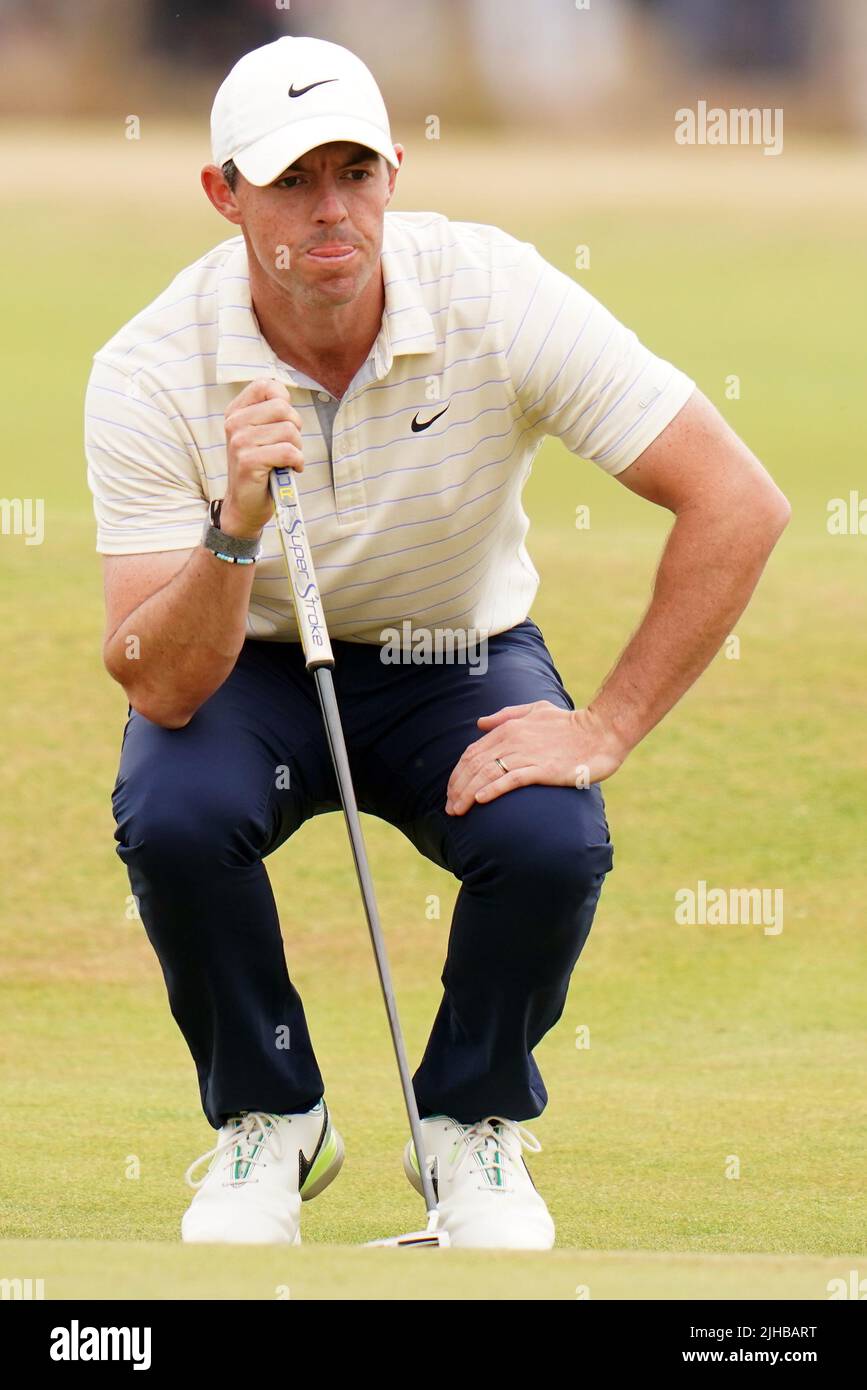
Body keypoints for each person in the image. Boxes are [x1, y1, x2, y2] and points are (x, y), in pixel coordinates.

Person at [84, 35, 790, 1249]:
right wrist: (236, 528)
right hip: (248, 661)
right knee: (174, 813)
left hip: (454, 653)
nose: (331, 210)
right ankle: (271, 1115)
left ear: (396, 174)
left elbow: (740, 500)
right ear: (222, 193)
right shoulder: (151, 366)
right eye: (293, 180)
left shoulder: (491, 292)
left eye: (356, 172)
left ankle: (466, 1123)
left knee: (552, 833)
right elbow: (155, 673)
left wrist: (605, 723)